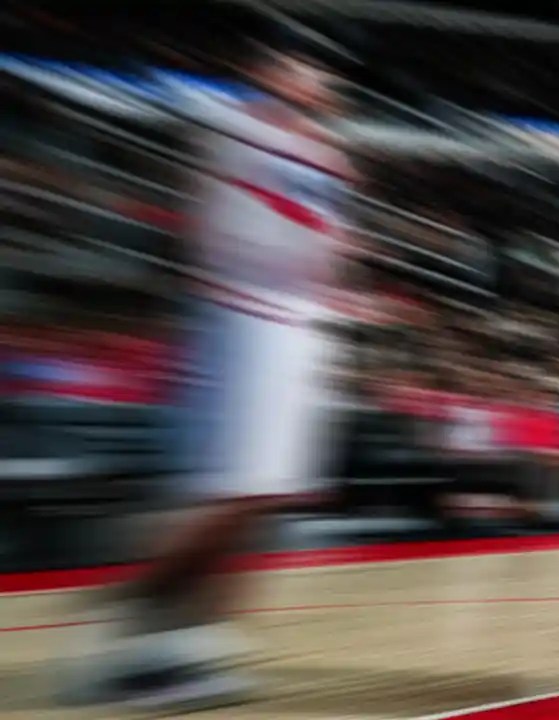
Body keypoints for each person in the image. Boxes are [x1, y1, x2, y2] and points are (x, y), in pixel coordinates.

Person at [62, 10, 357, 710]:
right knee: (229, 493)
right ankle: (128, 625)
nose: (318, 82)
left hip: (300, 327)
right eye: (300, 67)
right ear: (266, 71)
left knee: (262, 499)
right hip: (243, 318)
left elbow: (327, 244)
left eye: (322, 73)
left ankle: (192, 646)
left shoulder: (329, 156)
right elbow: (217, 226)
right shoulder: (236, 130)